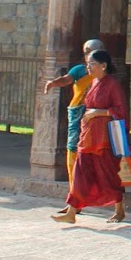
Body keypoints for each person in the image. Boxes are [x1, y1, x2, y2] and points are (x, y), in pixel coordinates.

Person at [52, 49, 129, 224]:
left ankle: (119, 209)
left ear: (103, 66)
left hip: (104, 139)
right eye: (88, 63)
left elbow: (121, 111)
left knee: (107, 173)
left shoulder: (113, 85)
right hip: (88, 137)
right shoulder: (94, 82)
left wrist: (98, 112)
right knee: (80, 172)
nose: (88, 67)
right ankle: (71, 212)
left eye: (92, 64)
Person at [43, 38, 105, 180]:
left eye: (93, 53)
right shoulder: (79, 70)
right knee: (73, 146)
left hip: (96, 114)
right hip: (78, 112)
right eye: (87, 53)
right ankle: (75, 183)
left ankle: (93, 181)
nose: (89, 56)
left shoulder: (104, 72)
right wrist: (53, 83)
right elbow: (67, 79)